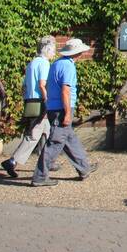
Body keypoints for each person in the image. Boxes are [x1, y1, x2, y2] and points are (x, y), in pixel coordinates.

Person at [31, 38, 97, 187]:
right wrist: (67, 113)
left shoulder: (57, 63)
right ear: (78, 53)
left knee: (70, 139)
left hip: (54, 108)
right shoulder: (68, 67)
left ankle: (84, 168)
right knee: (55, 143)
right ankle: (40, 177)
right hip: (62, 109)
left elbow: (50, 87)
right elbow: (65, 91)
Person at [2, 36, 57, 177]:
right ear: (47, 49)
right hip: (40, 102)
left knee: (48, 132)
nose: (54, 53)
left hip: (30, 101)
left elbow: (24, 87)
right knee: (35, 134)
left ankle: (47, 162)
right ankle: (12, 161)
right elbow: (42, 85)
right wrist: (48, 101)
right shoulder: (44, 64)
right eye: (53, 50)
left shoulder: (32, 63)